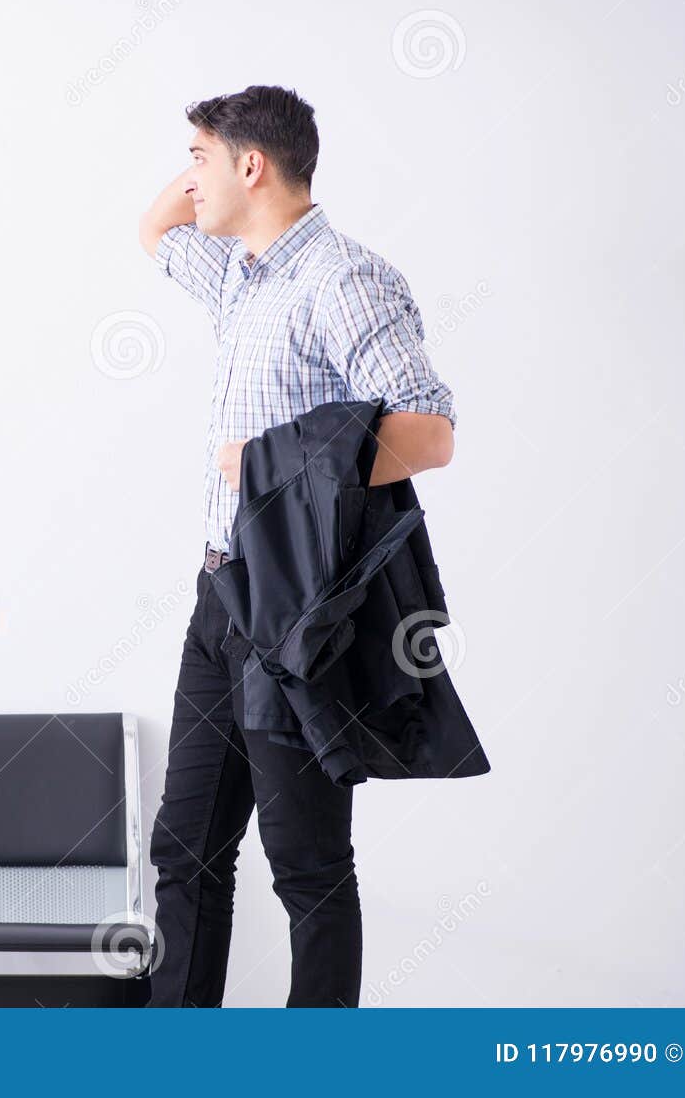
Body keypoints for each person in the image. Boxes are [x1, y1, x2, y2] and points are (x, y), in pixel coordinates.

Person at [138, 85, 457, 1007]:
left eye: (203, 159)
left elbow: (431, 432)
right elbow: (153, 229)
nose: (187, 181)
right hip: (218, 597)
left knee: (307, 867)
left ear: (252, 167)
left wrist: (282, 461)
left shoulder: (346, 280)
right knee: (187, 849)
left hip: (295, 608)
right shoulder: (240, 272)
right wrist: (207, 164)